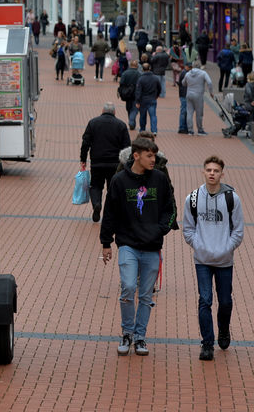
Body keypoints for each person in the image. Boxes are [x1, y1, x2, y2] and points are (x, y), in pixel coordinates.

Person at [100, 133, 174, 358]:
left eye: (154, 156)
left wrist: (160, 229)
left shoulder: (160, 179)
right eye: (149, 156)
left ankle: (140, 337)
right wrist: (106, 242)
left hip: (152, 247)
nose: (153, 160)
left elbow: (170, 210)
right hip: (128, 245)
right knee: (128, 287)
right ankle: (126, 333)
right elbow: (109, 212)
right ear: (136, 156)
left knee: (145, 296)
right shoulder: (119, 180)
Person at [182, 156, 243, 361]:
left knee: (225, 302)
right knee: (205, 301)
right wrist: (199, 246)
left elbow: (238, 230)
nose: (212, 173)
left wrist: (227, 248)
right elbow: (188, 229)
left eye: (216, 170)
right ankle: (207, 343)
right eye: (208, 170)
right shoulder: (192, 198)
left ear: (222, 174)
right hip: (203, 260)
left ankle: (223, 329)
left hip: (225, 260)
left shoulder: (232, 198)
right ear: (203, 172)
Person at [80, 103, 130, 223]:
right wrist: (127, 163)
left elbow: (85, 143)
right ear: (114, 113)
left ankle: (97, 203)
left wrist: (83, 159)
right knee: (113, 188)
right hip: (115, 163)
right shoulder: (121, 125)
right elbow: (127, 146)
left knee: (96, 186)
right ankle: (111, 212)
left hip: (97, 162)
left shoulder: (93, 123)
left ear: (102, 111)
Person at [182, 60, 215, 135]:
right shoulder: (203, 73)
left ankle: (190, 130)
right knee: (199, 113)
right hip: (198, 95)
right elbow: (209, 82)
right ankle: (200, 129)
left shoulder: (188, 74)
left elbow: (183, 83)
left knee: (189, 112)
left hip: (189, 94)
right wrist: (211, 92)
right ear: (199, 67)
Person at [135, 63, 163, 133]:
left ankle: (142, 129)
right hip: (152, 99)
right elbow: (159, 88)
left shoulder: (141, 79)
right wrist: (156, 95)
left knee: (142, 116)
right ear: (149, 68)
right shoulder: (155, 78)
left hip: (143, 100)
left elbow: (138, 91)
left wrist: (137, 101)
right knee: (153, 115)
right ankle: (154, 130)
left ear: (142, 69)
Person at [117, 62, 141, 129]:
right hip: (136, 93)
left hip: (127, 93)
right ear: (137, 66)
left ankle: (132, 123)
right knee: (134, 109)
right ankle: (131, 122)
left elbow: (121, 83)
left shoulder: (125, 73)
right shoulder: (139, 74)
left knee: (129, 108)